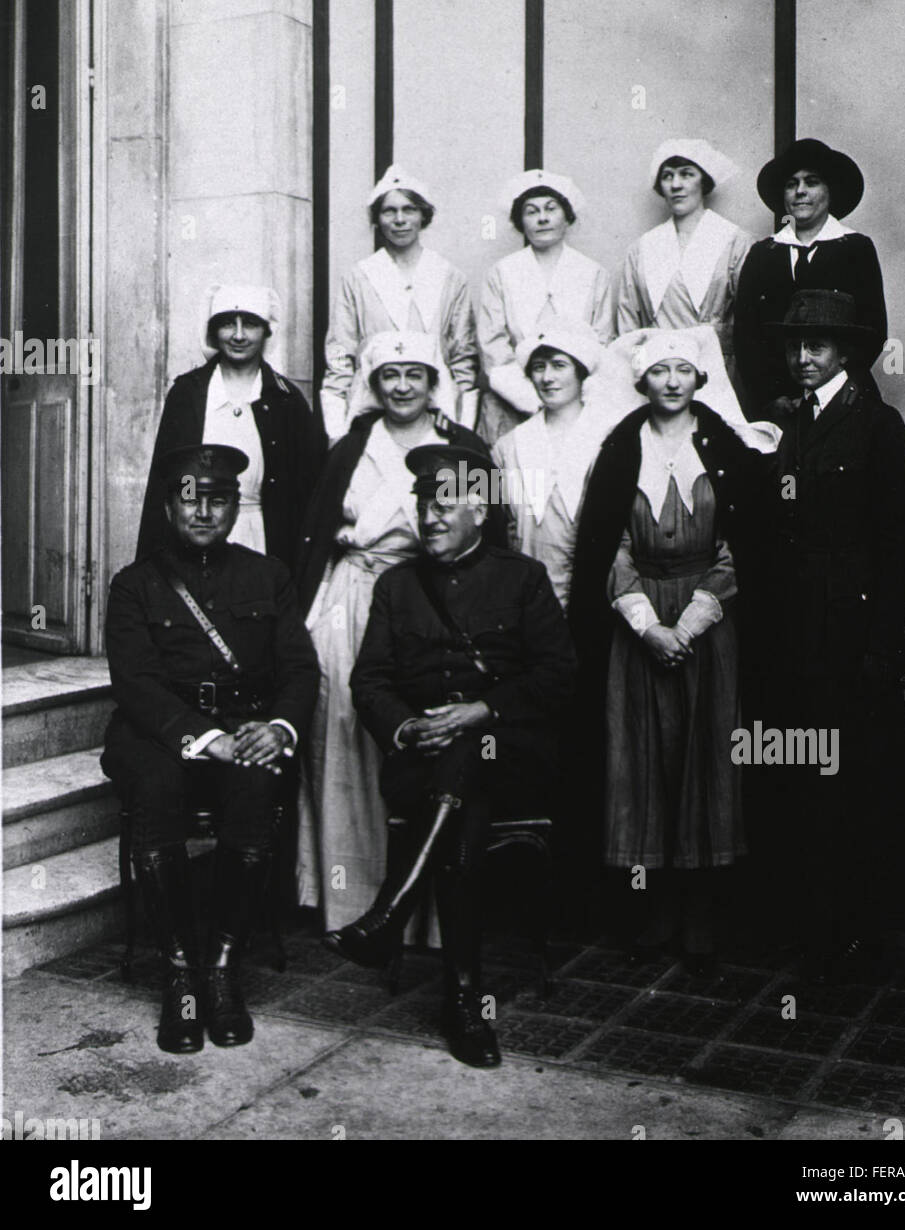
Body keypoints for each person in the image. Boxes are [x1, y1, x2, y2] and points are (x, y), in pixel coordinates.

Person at [327, 444, 576, 1068]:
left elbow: (559, 675)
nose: (430, 517)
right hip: (424, 758)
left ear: (482, 512)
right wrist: (408, 728)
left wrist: (481, 711)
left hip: (509, 749)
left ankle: (391, 912)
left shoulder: (522, 579)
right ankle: (464, 999)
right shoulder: (396, 586)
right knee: (460, 793)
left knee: (469, 750)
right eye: (423, 505)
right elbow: (370, 684)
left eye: (445, 504)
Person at [569, 326, 777, 973]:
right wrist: (646, 626)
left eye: (681, 369)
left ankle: (700, 914)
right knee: (642, 761)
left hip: (709, 628)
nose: (669, 381)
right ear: (642, 379)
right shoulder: (619, 446)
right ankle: (651, 910)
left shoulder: (723, 444)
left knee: (705, 759)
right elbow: (607, 548)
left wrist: (687, 625)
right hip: (637, 633)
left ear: (698, 376)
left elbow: (741, 546)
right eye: (658, 370)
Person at [102, 444, 319, 1054]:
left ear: (235, 506)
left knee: (259, 784)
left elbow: (300, 671)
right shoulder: (134, 584)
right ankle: (179, 977)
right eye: (189, 498)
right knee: (157, 784)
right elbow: (135, 683)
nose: (203, 512)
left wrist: (277, 727)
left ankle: (221, 971)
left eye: (218, 500)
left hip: (247, 725)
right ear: (170, 505)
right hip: (157, 731)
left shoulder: (267, 575)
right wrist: (205, 738)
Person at [293, 332, 499, 932]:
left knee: (426, 738)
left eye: (414, 374)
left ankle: (422, 910)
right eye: (389, 375)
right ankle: (350, 902)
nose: (402, 386)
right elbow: (315, 531)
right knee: (344, 738)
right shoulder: (351, 446)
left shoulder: (461, 447)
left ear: (434, 381)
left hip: (429, 603)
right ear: (373, 383)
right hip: (353, 599)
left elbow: (489, 535)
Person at [745, 289, 905, 979]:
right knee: (796, 773)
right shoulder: (784, 423)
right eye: (793, 346)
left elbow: (895, 543)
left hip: (848, 636)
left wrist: (880, 646)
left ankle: (855, 926)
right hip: (790, 632)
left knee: (853, 781)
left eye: (815, 346)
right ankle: (804, 918)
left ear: (845, 351)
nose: (801, 357)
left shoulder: (877, 425)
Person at [136, 284, 323, 572]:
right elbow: (171, 480)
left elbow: (305, 495)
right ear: (213, 332)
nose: (238, 335)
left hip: (263, 538)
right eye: (227, 324)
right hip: (195, 534)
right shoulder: (189, 393)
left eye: (249, 324)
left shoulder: (287, 401)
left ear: (267, 330)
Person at [320, 165, 480, 439]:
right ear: (378, 219)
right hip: (371, 411)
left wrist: (462, 427)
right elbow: (339, 354)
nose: (399, 219)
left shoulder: (449, 277)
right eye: (389, 211)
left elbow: (463, 357)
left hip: (436, 412)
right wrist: (336, 431)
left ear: (423, 216)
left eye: (409, 210)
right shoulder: (358, 277)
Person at [734, 138, 887, 421]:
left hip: (843, 397)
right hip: (775, 405)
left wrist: (839, 386)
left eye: (811, 182)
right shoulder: (762, 253)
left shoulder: (856, 248)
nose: (800, 191)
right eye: (792, 184)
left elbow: (873, 328)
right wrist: (771, 397)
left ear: (831, 190)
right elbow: (746, 336)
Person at [478, 168, 613, 444]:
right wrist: (530, 398)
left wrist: (570, 398)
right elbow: (494, 348)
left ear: (567, 216)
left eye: (551, 208)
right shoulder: (502, 272)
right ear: (520, 221)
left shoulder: (593, 272)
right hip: (513, 402)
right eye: (531, 211)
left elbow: (602, 344)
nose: (542, 218)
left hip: (578, 403)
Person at [491, 321, 610, 609]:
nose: (547, 377)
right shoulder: (508, 446)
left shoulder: (609, 438)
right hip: (524, 597)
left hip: (595, 593)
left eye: (559, 365)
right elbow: (493, 522)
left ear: (580, 371)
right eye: (538, 367)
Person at [617, 139, 751, 391]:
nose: (676, 185)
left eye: (687, 174)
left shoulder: (734, 241)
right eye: (667, 176)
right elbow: (628, 326)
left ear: (704, 181)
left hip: (717, 371)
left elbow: (749, 322)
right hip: (658, 373)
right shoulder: (642, 248)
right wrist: (639, 378)